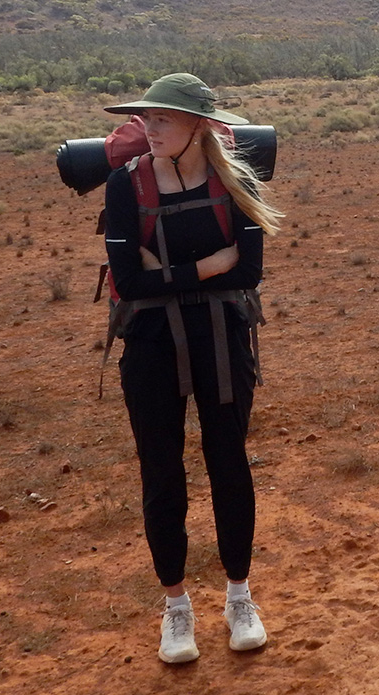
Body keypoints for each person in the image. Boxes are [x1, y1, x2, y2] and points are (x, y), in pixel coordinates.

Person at [101, 74, 283, 664]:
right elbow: (128, 282)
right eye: (146, 119)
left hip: (223, 340)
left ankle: (239, 597)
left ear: (199, 126)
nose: (149, 130)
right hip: (151, 344)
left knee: (228, 461)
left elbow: (248, 273)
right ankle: (176, 609)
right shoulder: (124, 186)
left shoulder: (237, 182)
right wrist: (207, 267)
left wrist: (168, 273)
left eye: (164, 120)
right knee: (161, 471)